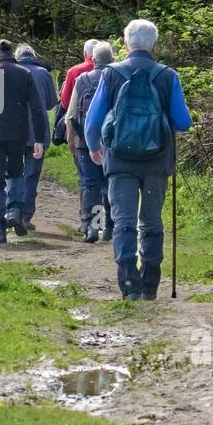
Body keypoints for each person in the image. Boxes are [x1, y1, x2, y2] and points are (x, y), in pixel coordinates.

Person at [84, 19, 192, 301]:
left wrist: (95, 146)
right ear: (153, 44)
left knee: (123, 220)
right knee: (152, 220)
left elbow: (93, 120)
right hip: (157, 160)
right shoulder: (167, 76)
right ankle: (151, 282)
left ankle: (129, 282)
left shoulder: (111, 74)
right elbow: (183, 122)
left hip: (120, 160)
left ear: (126, 42)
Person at [0, 40, 46, 244]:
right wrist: (39, 138)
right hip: (19, 134)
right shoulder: (24, 73)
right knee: (16, 172)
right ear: (12, 53)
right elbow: (37, 108)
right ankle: (14, 209)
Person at [65, 41, 114, 243]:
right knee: (109, 185)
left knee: (89, 184)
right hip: (111, 142)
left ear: (93, 59)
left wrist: (70, 140)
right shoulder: (115, 78)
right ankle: (108, 227)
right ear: (112, 60)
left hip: (85, 141)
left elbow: (72, 113)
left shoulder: (82, 79)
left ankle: (92, 227)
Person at [15, 44, 58, 231]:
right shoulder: (44, 73)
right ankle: (26, 215)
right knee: (32, 175)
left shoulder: (11, 72)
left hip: (14, 130)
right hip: (37, 133)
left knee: (14, 173)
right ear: (33, 56)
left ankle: (13, 211)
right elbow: (50, 103)